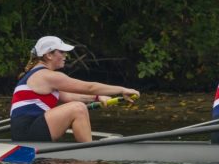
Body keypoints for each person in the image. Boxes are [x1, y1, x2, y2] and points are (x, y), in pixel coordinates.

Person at [10, 36, 140, 143]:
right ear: (49, 55)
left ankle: (85, 150)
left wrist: (97, 97)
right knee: (78, 108)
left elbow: (69, 96)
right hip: (27, 132)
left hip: (25, 130)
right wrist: (122, 89)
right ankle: (89, 153)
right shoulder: (46, 76)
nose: (66, 55)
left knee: (76, 105)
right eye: (61, 52)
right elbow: (89, 87)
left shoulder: (37, 75)